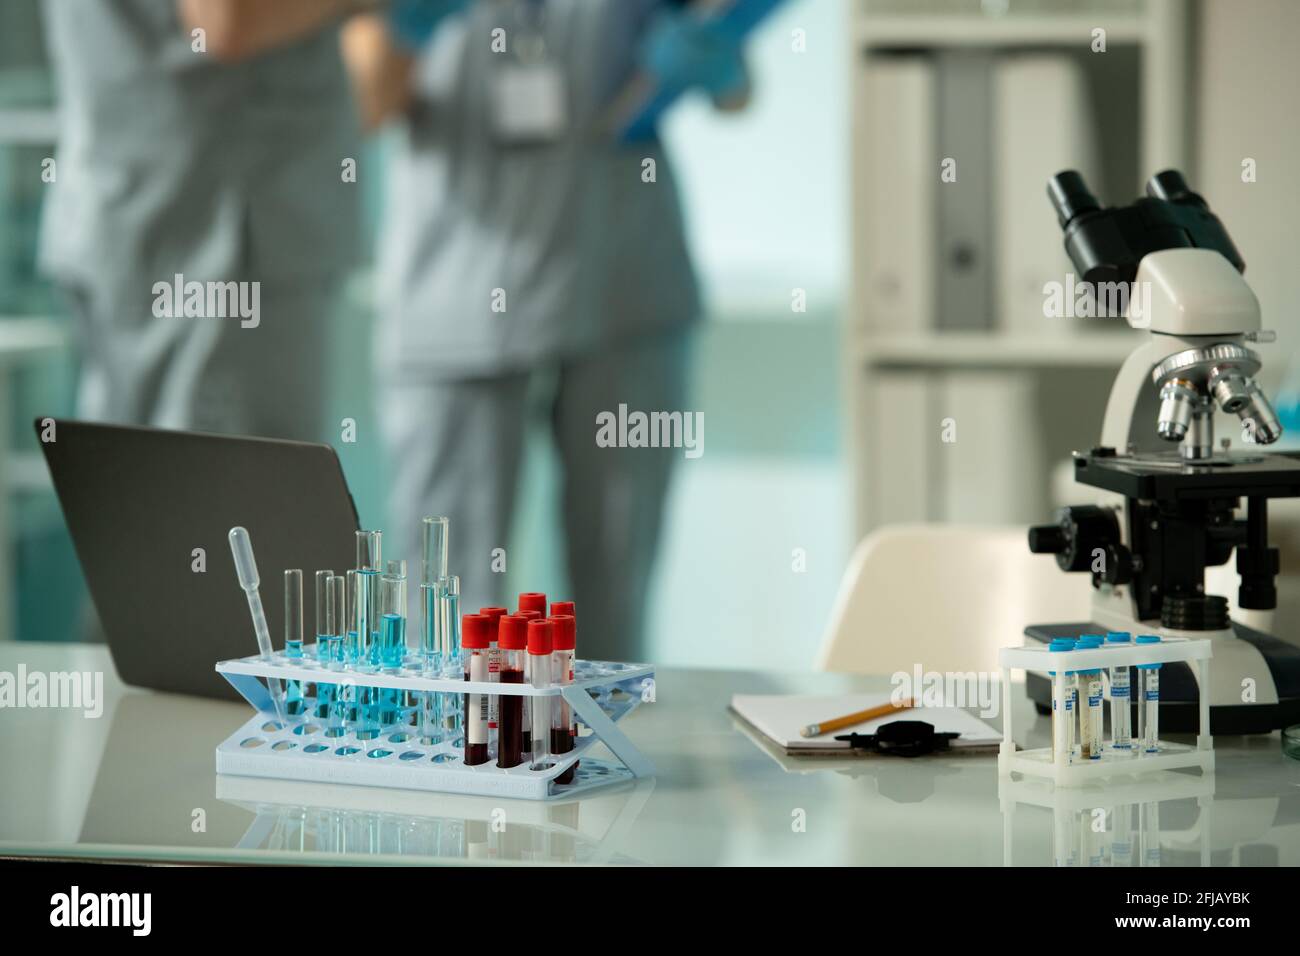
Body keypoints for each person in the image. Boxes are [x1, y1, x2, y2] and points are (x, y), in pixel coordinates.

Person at [345, 0, 750, 661]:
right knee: (446, 623)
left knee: (613, 625)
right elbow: (363, 104)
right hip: (456, 282)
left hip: (622, 274)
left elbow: (738, 91)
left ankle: (609, 762)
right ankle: (449, 763)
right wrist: (403, 29)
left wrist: (716, 64)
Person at [39, 0, 364, 440]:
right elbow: (225, 18)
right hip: (214, 241)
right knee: (232, 501)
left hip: (136, 215)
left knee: (140, 497)